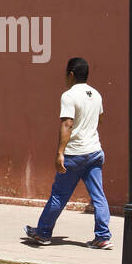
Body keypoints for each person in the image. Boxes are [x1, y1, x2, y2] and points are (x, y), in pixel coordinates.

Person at [24, 57, 112, 249]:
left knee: (59, 195)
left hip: (74, 155)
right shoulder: (96, 95)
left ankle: (43, 233)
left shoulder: (69, 95)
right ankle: (103, 236)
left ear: (71, 74)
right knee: (98, 195)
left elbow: (67, 124)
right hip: (95, 151)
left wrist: (60, 153)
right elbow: (100, 119)